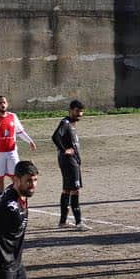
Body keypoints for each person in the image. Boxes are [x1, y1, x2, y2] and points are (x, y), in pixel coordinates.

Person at [0, 95, 36, 196]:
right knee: (0, 178)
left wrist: (30, 141)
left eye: (4, 102)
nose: (2, 104)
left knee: (16, 176)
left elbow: (20, 132)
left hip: (12, 152)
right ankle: (0, 200)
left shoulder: (13, 117)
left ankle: (16, 197)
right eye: (0, 103)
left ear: (7, 104)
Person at [52, 99, 87, 230]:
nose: (80, 114)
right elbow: (55, 137)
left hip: (71, 161)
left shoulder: (71, 124)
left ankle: (62, 221)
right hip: (69, 162)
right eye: (77, 111)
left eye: (81, 112)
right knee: (75, 190)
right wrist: (64, 150)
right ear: (70, 110)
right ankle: (79, 222)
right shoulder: (65, 123)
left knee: (67, 189)